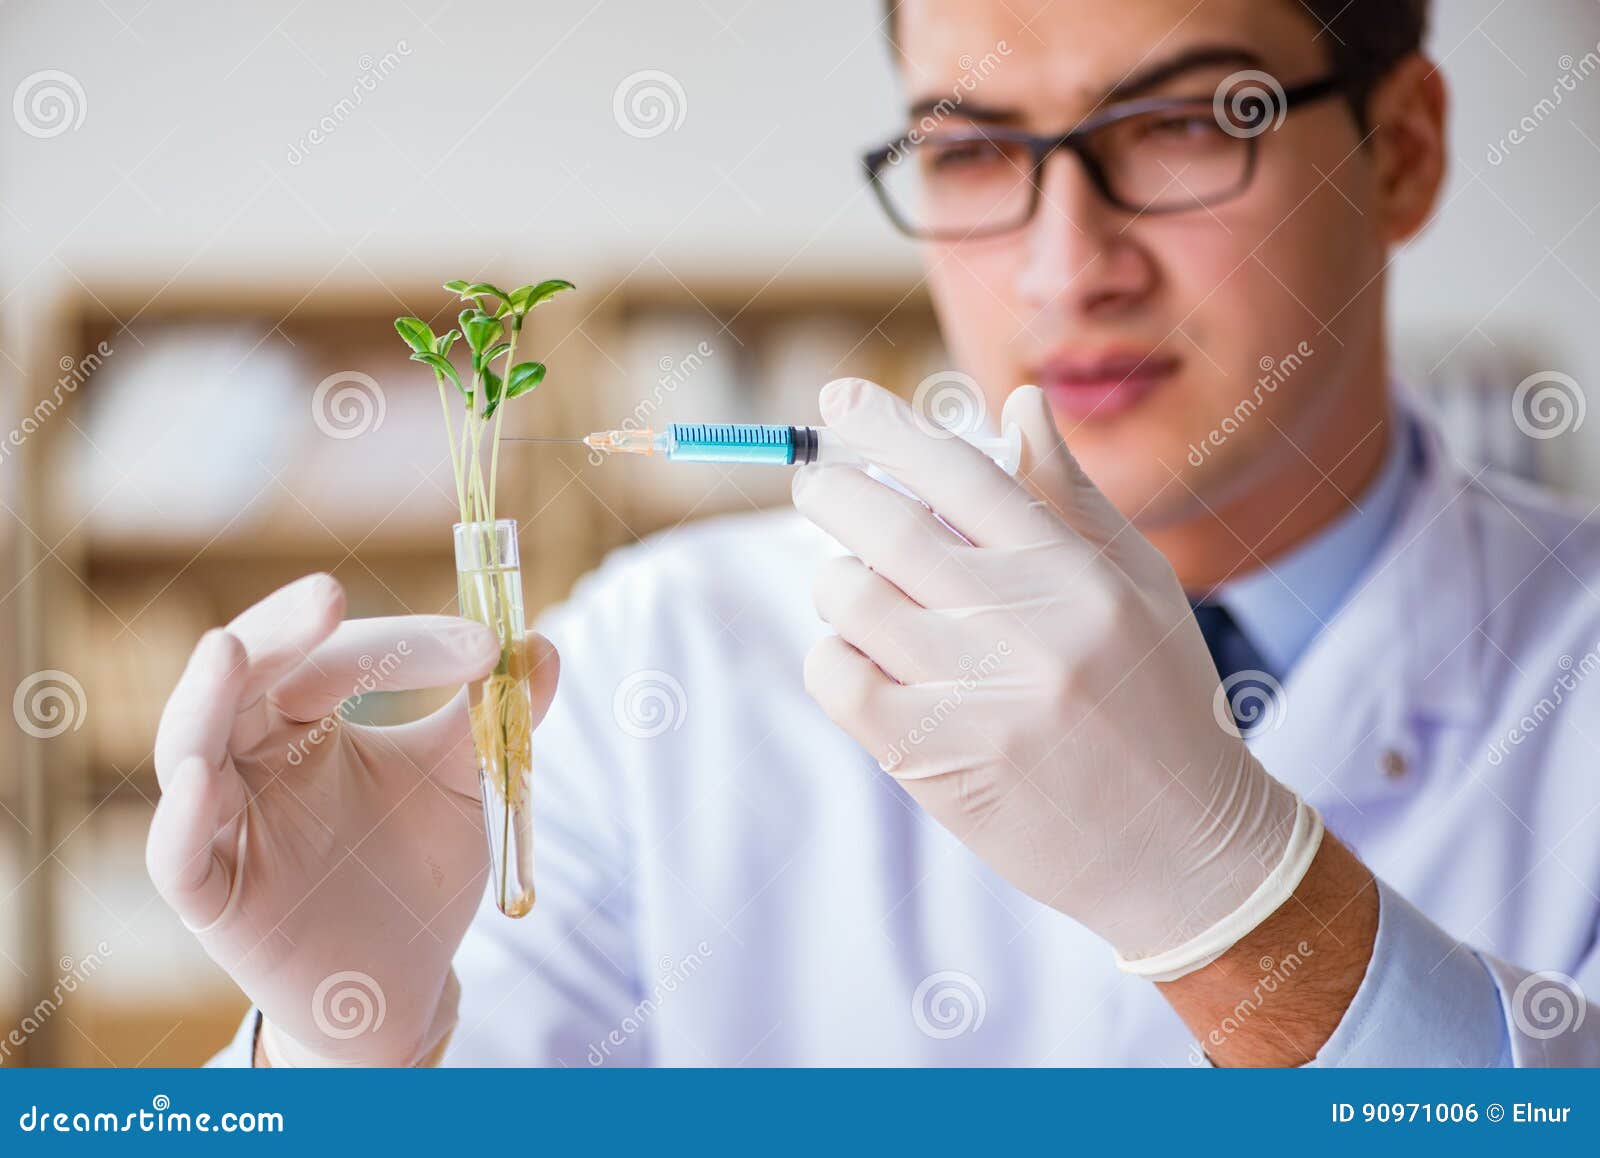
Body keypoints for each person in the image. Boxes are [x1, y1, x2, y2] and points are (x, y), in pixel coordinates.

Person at [152, 0, 1600, 1066]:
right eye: (970, 153)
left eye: (1176, 127)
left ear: (1401, 150)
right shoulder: (663, 666)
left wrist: (1243, 908)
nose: (1063, 266)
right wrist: (349, 1049)